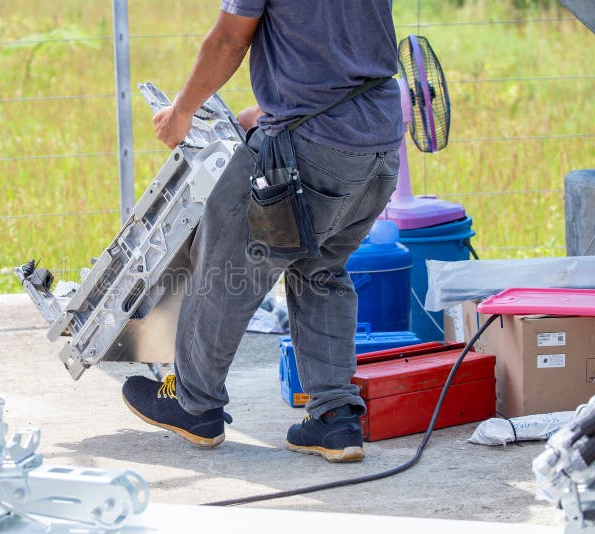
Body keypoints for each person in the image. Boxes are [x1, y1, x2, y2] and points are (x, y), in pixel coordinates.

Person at [122, 0, 403, 462]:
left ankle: (193, 405)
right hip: (376, 145)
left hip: (308, 148)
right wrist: (276, 108)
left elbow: (229, 38)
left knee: (223, 267)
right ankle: (335, 421)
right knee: (321, 270)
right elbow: (341, 45)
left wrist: (182, 111)